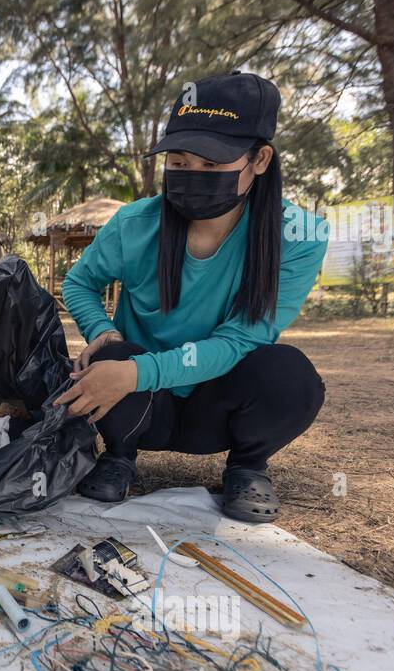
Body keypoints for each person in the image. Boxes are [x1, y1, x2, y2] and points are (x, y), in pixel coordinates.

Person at [56, 71, 328, 524]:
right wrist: (102, 334)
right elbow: (78, 283)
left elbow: (241, 341)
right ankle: (121, 455)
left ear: (259, 160)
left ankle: (247, 466)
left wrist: (135, 372)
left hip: (215, 405)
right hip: (140, 406)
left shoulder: (298, 236)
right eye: (179, 164)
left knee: (290, 376)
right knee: (113, 352)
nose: (192, 176)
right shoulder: (135, 224)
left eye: (212, 164)